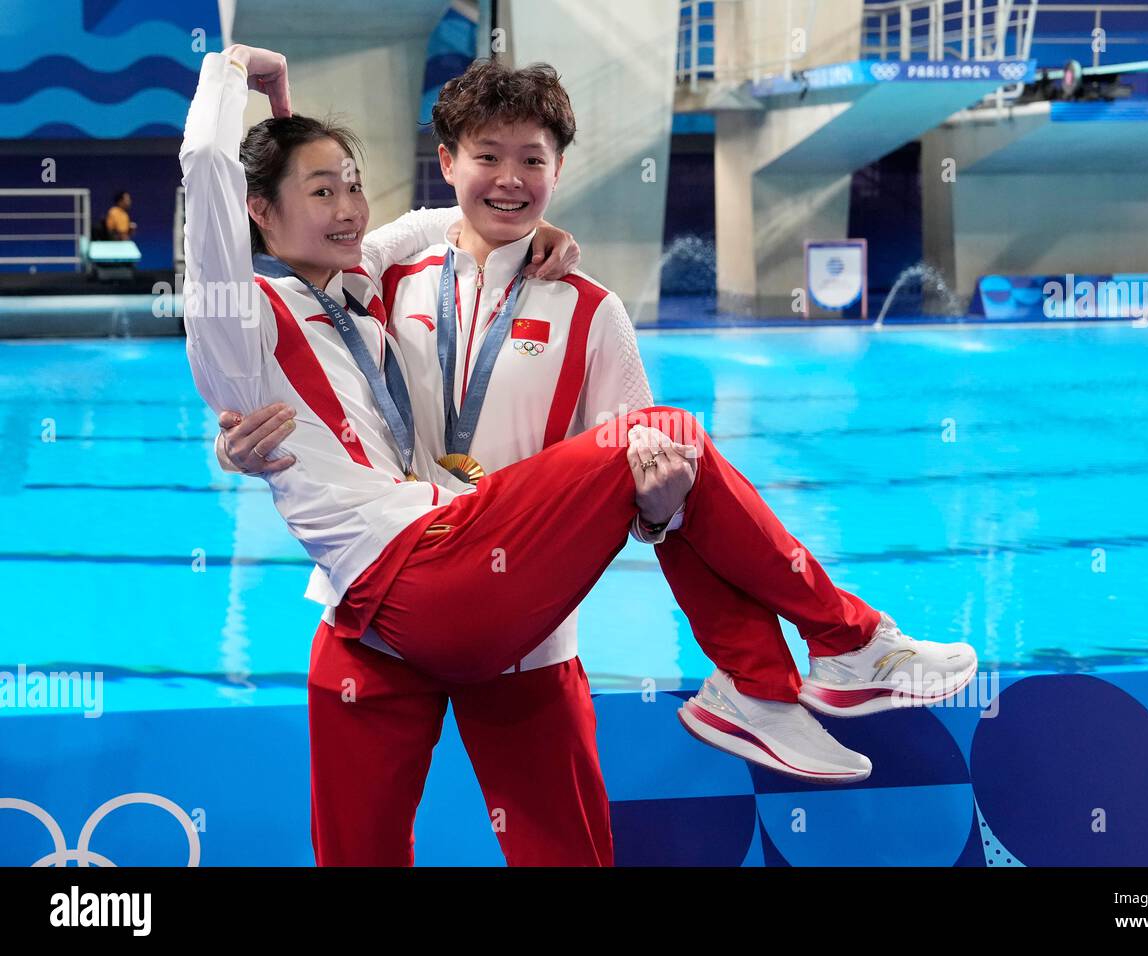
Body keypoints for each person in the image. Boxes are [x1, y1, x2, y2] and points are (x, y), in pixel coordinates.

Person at [182, 45, 978, 860]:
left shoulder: (593, 313)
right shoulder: (383, 272)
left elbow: (654, 501)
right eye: (486, 157)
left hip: (519, 617)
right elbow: (276, 216)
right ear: (447, 163)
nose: (510, 179)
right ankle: (815, 659)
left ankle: (779, 679)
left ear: (561, 170)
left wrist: (660, 506)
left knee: (567, 850)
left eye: (534, 161)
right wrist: (236, 436)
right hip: (377, 614)